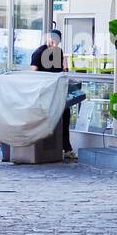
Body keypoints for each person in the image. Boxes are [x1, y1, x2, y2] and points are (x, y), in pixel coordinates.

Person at [30, 28, 77, 159]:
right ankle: (44, 149)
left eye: (57, 40)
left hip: (57, 91)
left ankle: (67, 149)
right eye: (52, 39)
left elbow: (59, 71)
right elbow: (32, 73)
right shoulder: (39, 52)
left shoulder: (58, 52)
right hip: (45, 92)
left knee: (65, 115)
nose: (54, 42)